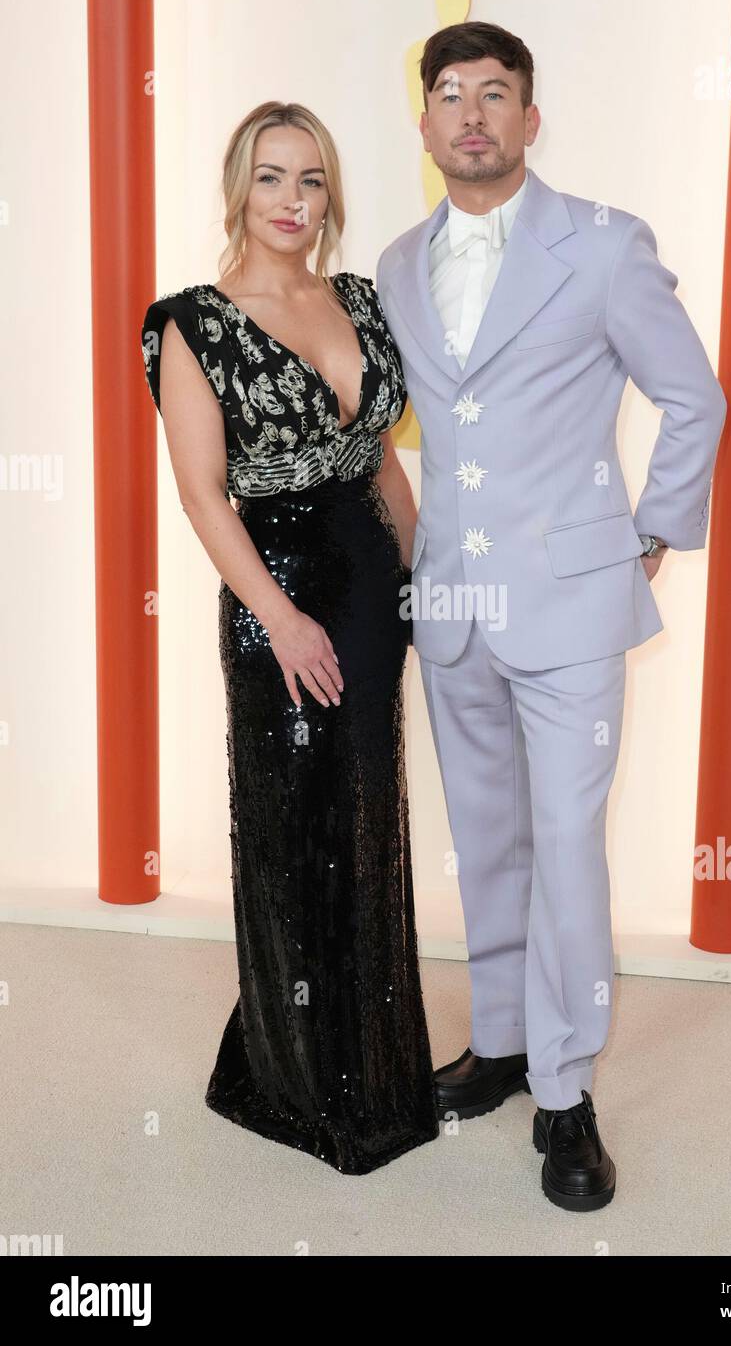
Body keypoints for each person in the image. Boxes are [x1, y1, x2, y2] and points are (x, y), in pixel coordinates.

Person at [377, 22, 727, 1210]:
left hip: (572, 601)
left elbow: (693, 397)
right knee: (487, 840)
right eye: (448, 96)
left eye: (494, 94)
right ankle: (506, 1042)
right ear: (423, 126)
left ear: (531, 119)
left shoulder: (607, 246)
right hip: (453, 607)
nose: (469, 114)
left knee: (568, 850)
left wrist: (647, 535)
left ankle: (568, 1091)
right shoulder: (391, 263)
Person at [140, 102, 438, 1174]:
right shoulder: (191, 323)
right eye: (270, 178)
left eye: (309, 181)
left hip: (370, 583)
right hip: (280, 591)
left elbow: (383, 460)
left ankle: (372, 1060)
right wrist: (279, 617)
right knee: (293, 821)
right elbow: (202, 496)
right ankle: (298, 1082)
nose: (291, 203)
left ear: (330, 196)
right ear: (238, 187)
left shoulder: (358, 298)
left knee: (366, 809)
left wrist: (425, 575)